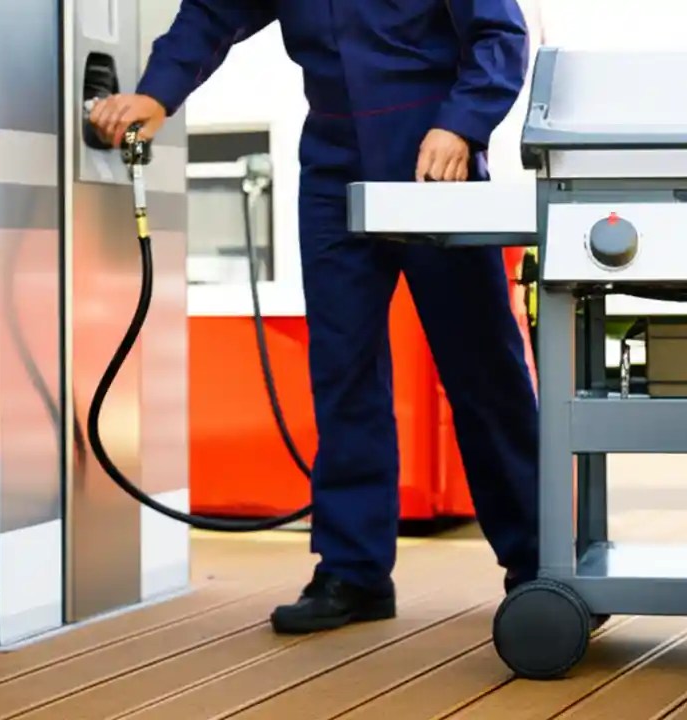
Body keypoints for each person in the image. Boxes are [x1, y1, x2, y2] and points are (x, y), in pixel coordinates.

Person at [88, 0, 540, 635]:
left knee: (483, 370)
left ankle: (539, 566)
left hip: (434, 157)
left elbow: (499, 32)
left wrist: (463, 125)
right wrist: (158, 95)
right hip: (333, 160)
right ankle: (353, 572)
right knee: (342, 365)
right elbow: (215, 12)